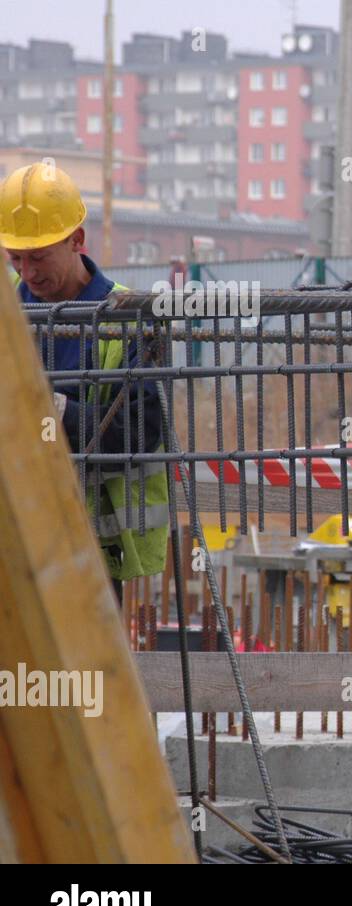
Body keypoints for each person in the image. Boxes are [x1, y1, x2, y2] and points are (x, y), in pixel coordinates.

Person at [1, 162, 169, 601]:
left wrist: (56, 409)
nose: (28, 272)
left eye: (38, 257)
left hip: (89, 546)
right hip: (14, 536)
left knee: (90, 669)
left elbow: (139, 433)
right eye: (16, 258)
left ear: (77, 240)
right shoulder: (7, 319)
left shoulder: (130, 316)